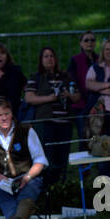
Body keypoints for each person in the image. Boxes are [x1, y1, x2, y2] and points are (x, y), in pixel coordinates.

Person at [22, 47, 78, 175]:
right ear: (41, 60)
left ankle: (61, 185)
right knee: (47, 157)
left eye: (52, 56)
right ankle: (47, 187)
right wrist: (49, 98)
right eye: (46, 56)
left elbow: (77, 96)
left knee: (62, 156)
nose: (49, 59)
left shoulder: (65, 76)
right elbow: (29, 98)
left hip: (64, 123)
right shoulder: (36, 77)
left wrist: (68, 96)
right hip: (45, 123)